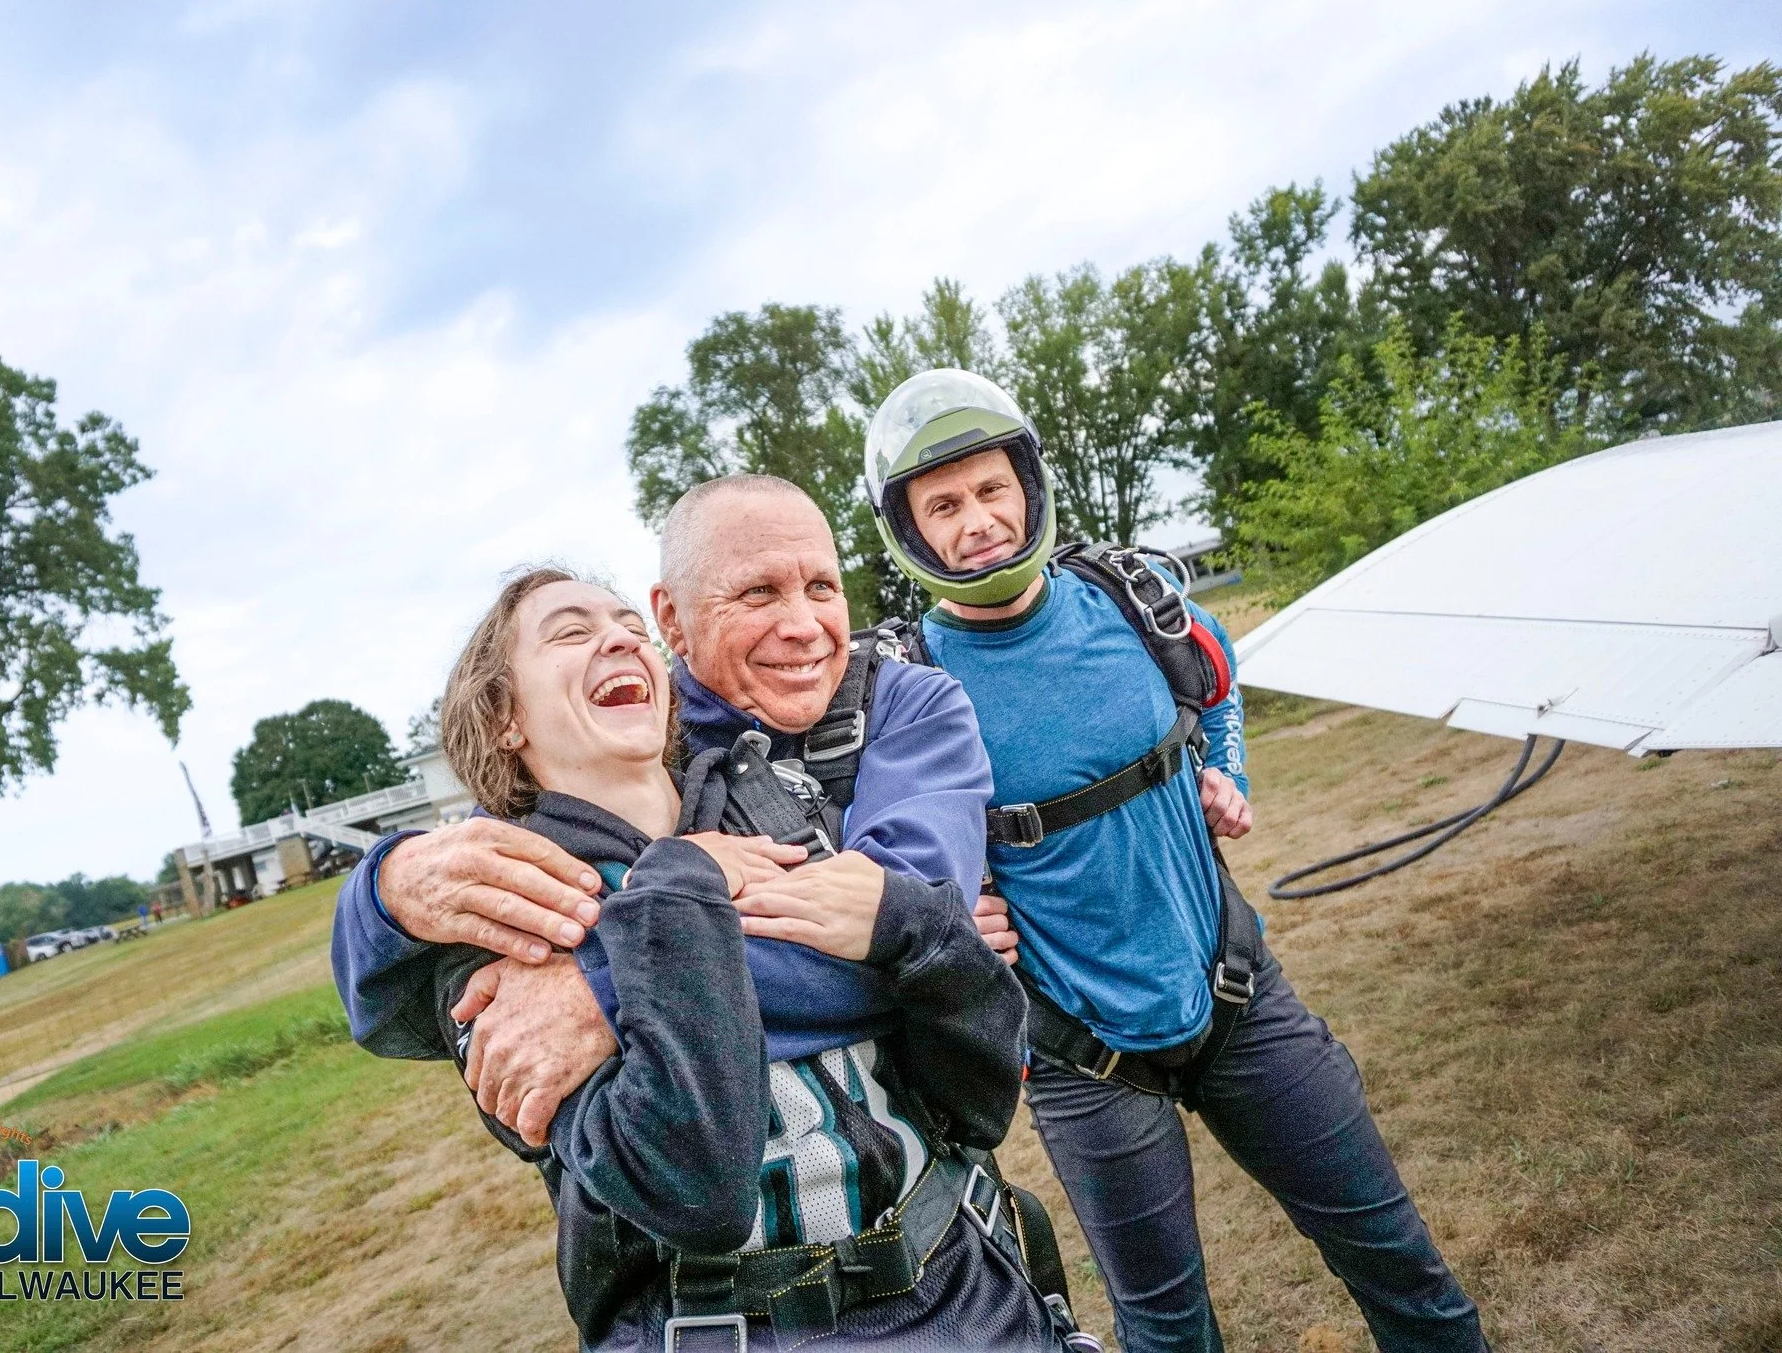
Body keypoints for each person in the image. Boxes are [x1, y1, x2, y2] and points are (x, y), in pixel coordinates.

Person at [856, 368, 1488, 1353]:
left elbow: (1217, 676)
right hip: (1081, 1055)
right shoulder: (907, 691)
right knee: (1164, 1332)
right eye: (942, 505)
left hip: (1238, 998)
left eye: (988, 490)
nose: (973, 520)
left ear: (1025, 486)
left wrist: (1220, 767)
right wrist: (945, 911)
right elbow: (887, 857)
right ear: (911, 530)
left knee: (1397, 1260)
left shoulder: (1128, 597)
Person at [396, 564, 1070, 1351]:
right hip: (730, 1329)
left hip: (971, 1293)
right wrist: (684, 887)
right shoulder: (498, 917)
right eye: (571, 632)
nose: (618, 637)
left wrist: (913, 924)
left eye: (627, 628)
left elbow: (981, 1090)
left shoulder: (778, 801)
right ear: (504, 715)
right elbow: (698, 1187)